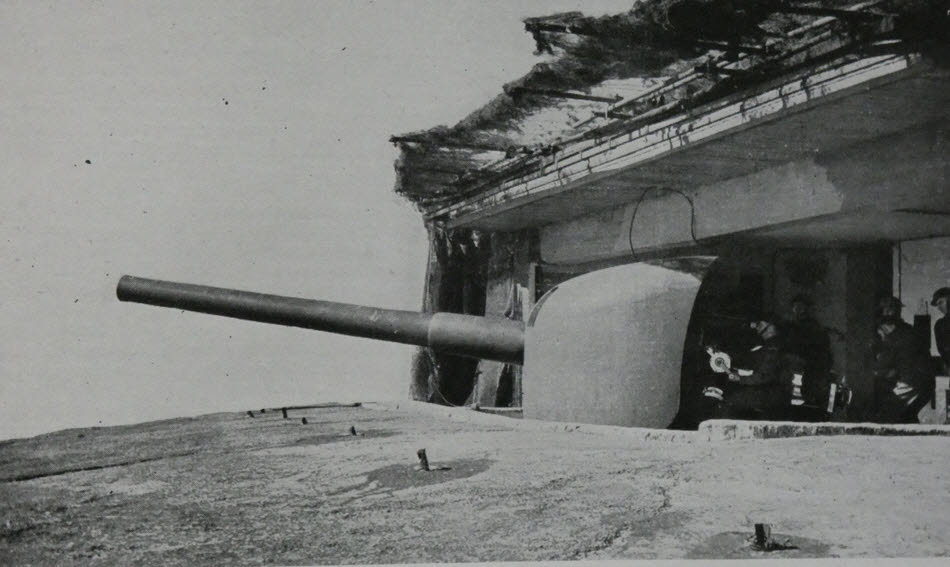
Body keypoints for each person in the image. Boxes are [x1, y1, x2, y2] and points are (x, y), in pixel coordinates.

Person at [722, 313, 792, 419]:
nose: (757, 328)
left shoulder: (774, 348)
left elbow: (764, 376)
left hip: (770, 395)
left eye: (760, 325)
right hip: (770, 392)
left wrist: (739, 378)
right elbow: (751, 360)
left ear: (772, 327)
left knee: (730, 402)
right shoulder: (769, 345)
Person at [872, 315, 934, 423]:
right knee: (908, 414)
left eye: (880, 335)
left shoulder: (892, 339)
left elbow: (882, 365)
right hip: (927, 383)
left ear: (884, 328)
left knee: (887, 411)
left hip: (911, 382)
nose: (882, 338)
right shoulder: (910, 331)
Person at [782, 294, 833, 406]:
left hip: (813, 368)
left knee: (811, 398)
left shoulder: (808, 327)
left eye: (800, 307)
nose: (797, 310)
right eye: (795, 307)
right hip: (812, 369)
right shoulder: (804, 326)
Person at [932, 287, 950, 375]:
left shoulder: (941, 324)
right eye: (937, 305)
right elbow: (943, 350)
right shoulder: (940, 324)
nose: (939, 308)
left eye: (940, 302)